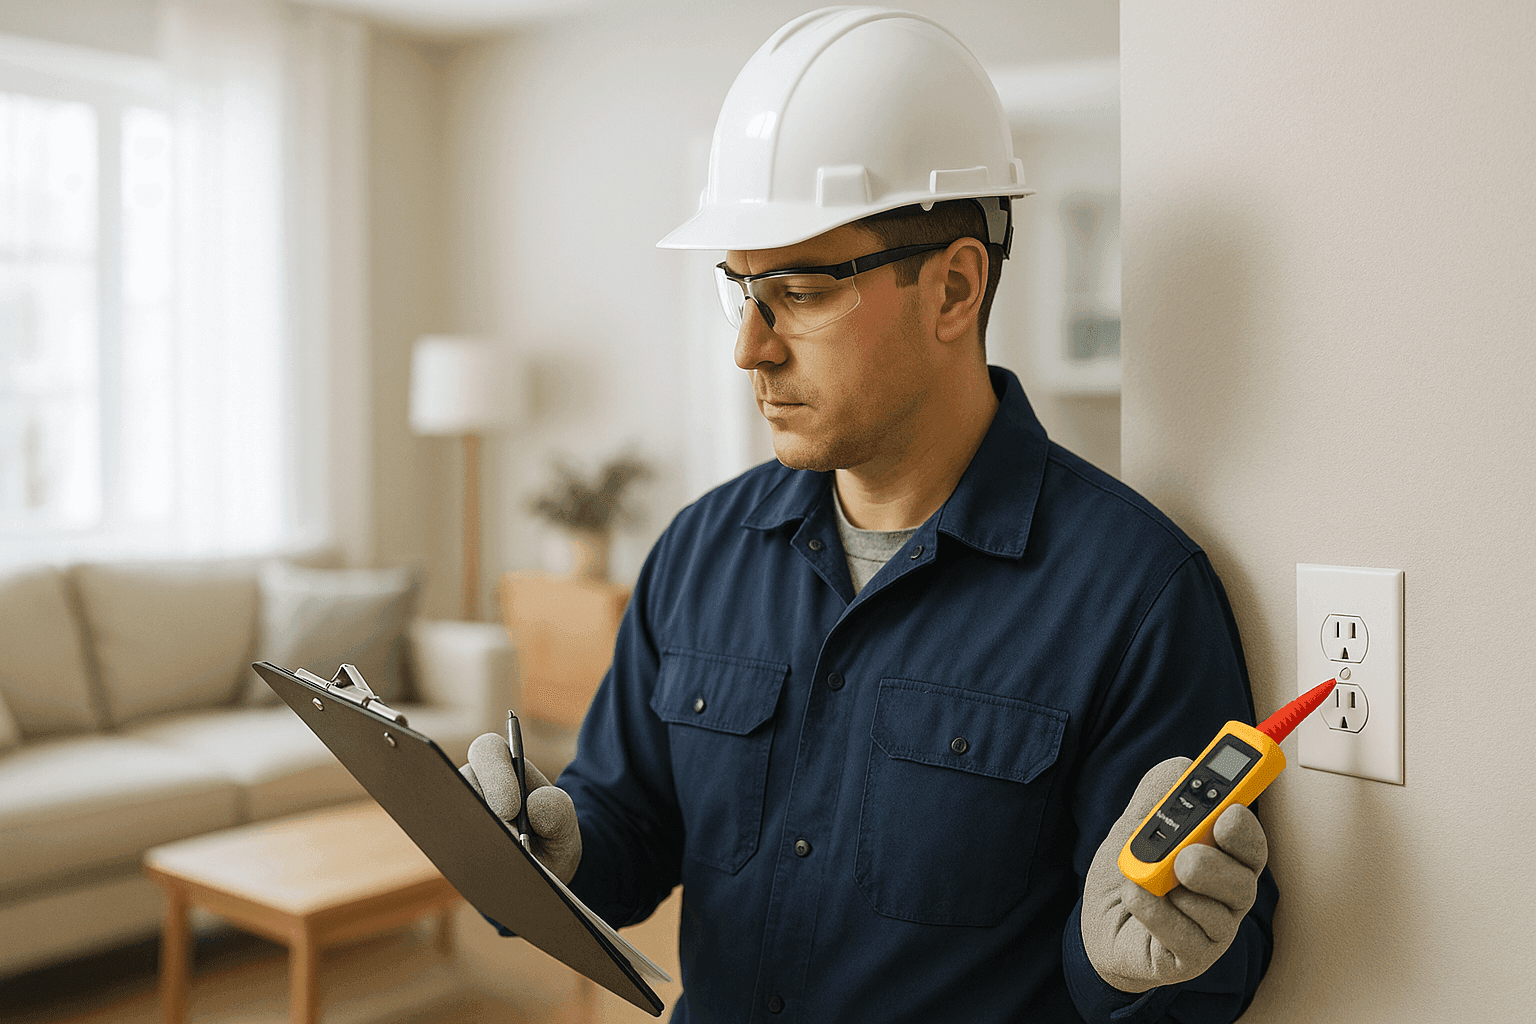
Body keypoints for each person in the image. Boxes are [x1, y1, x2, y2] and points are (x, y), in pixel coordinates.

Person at [460, 8, 1276, 1022]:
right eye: (740, 292)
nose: (750, 349)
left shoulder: (1137, 597)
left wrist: (1135, 968)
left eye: (796, 292)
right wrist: (557, 840)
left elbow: (1192, 976)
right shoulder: (699, 552)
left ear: (954, 288)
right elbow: (632, 826)